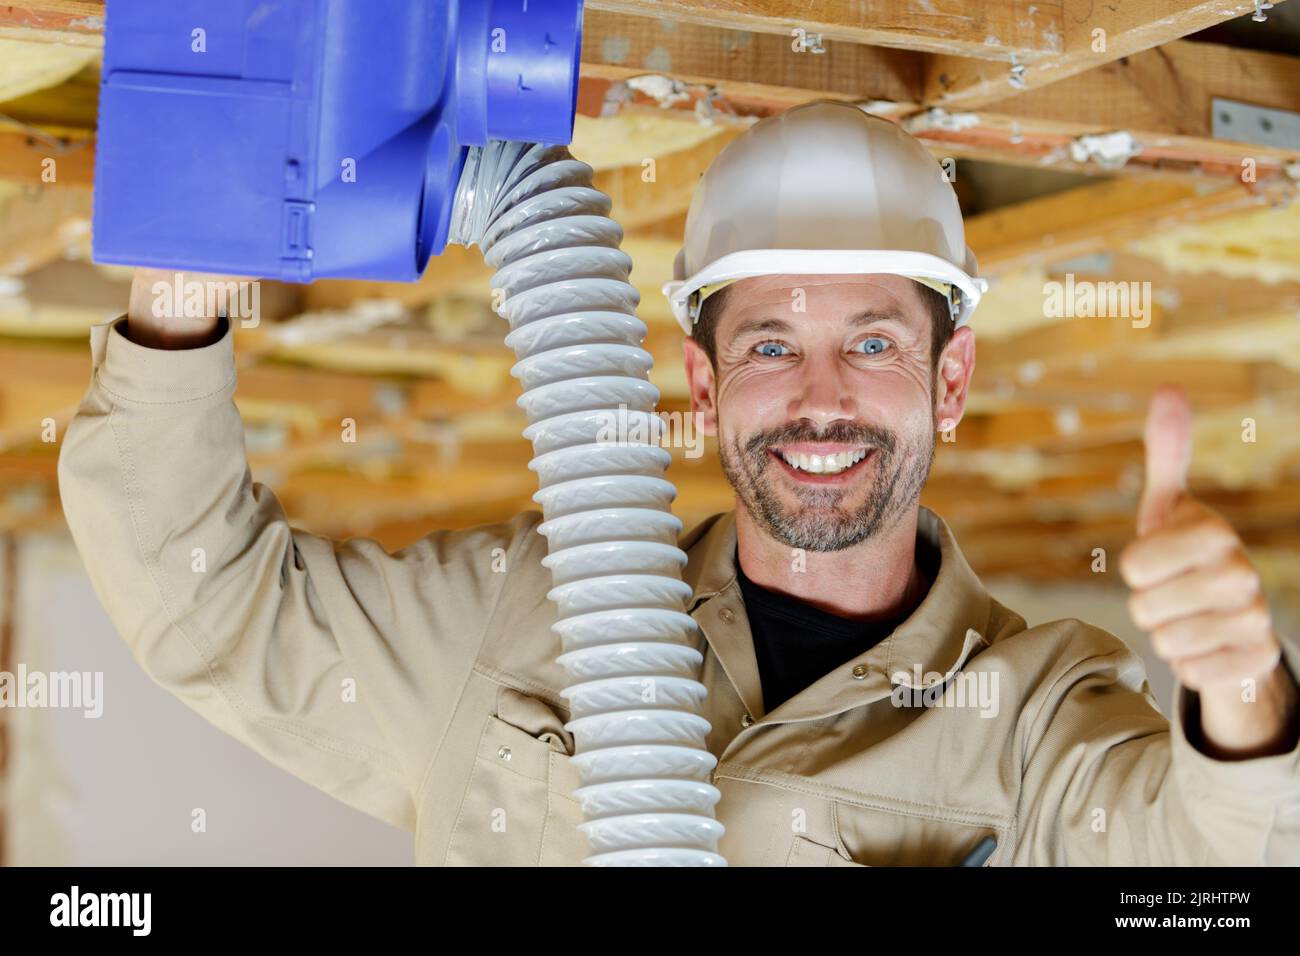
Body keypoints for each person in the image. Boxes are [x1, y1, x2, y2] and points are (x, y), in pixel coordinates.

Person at [58, 100, 1300, 866]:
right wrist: (184, 267)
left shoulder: (1033, 726)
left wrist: (1242, 682)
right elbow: (205, 595)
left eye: (872, 341)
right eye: (769, 344)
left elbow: (1210, 867)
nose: (821, 396)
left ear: (949, 379)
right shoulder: (519, 620)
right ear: (702, 388)